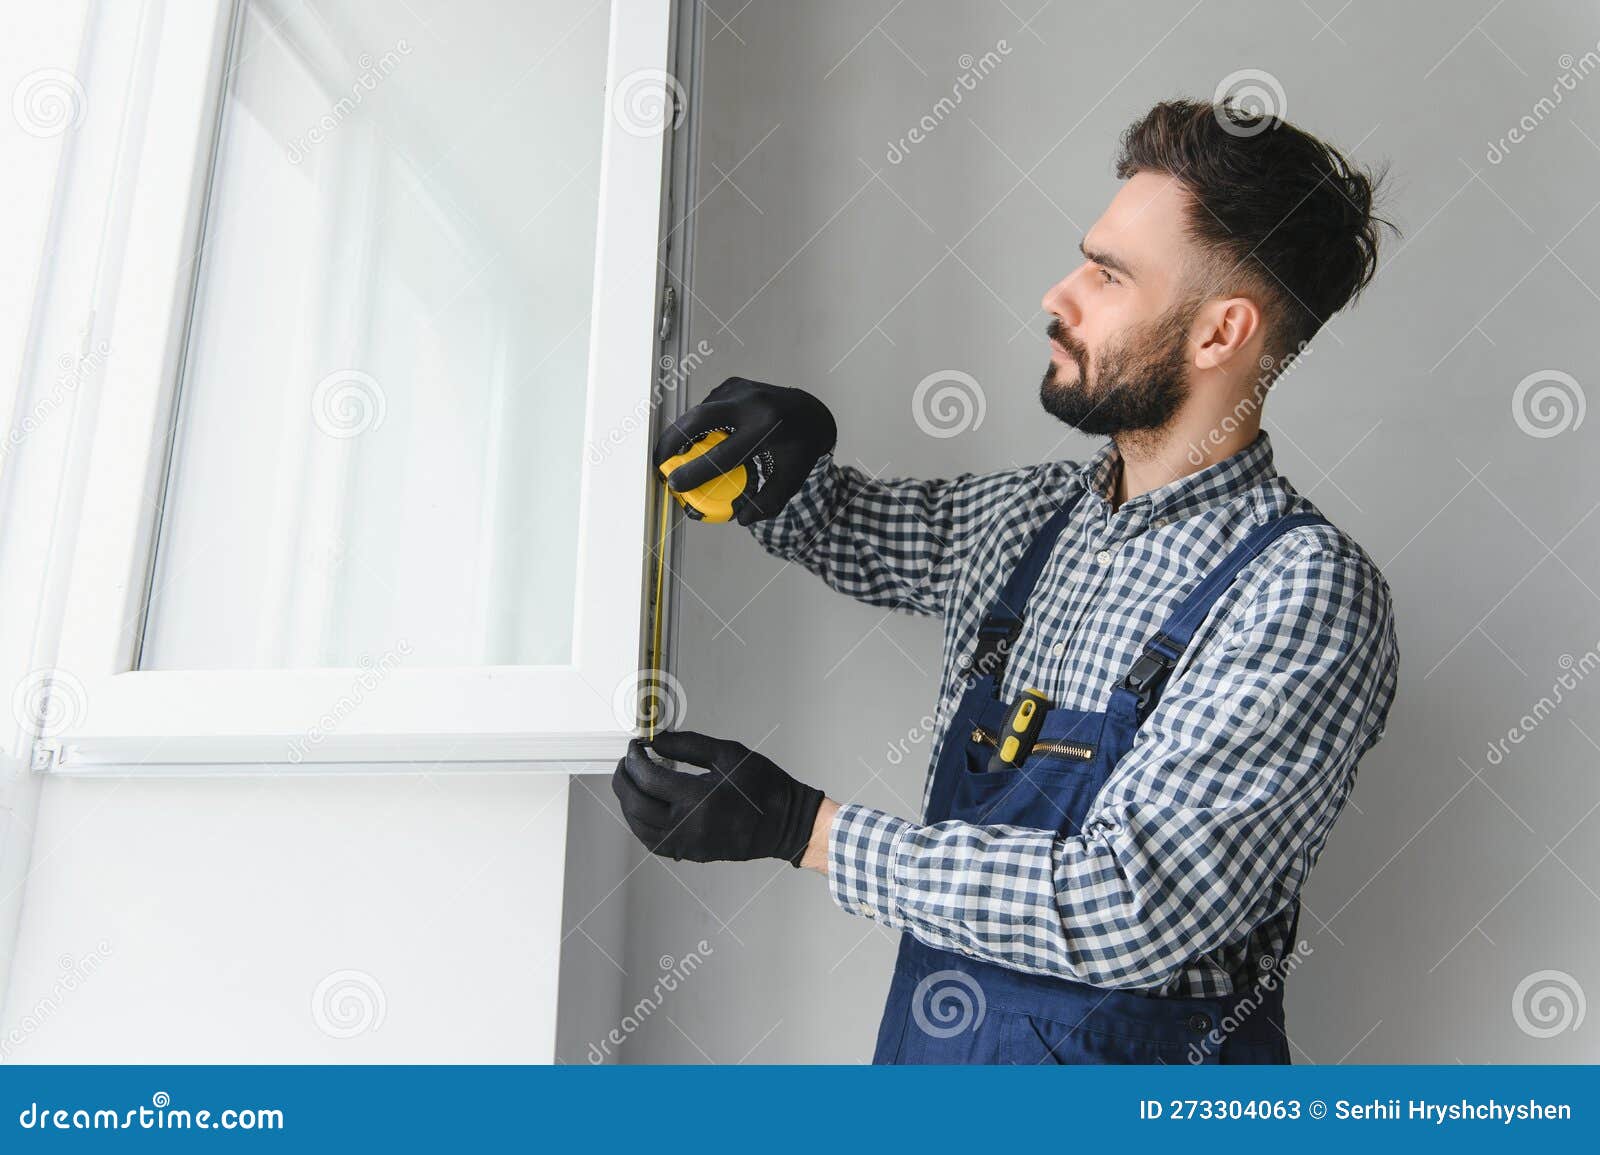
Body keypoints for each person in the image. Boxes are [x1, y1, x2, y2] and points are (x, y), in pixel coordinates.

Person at [614, 98, 1400, 1064]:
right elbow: (851, 529)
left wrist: (801, 828)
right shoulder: (1032, 516)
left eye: (1108, 275)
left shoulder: (1302, 592)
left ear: (1218, 333)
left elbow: (1128, 907)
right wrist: (771, 465)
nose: (1058, 296)